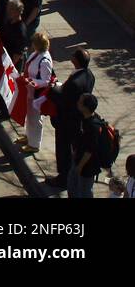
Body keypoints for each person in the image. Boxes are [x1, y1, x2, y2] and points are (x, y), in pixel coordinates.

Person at [46, 48, 95, 188]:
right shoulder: (89, 75)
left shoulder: (74, 83)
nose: (71, 56)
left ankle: (63, 178)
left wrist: (52, 89)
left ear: (76, 61)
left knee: (63, 149)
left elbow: (61, 99)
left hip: (66, 122)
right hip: (78, 120)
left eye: (73, 55)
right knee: (72, 148)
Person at [22, 30, 55, 156]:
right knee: (29, 116)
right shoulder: (36, 54)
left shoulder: (45, 60)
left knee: (35, 118)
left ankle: (34, 144)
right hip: (30, 89)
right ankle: (28, 136)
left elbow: (46, 81)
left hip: (37, 93)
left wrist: (31, 81)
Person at [68, 94, 105, 198]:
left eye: (80, 101)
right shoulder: (84, 118)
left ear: (86, 107)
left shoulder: (93, 127)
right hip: (78, 160)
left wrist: (79, 167)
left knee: (84, 192)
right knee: (72, 187)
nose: (77, 102)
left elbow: (90, 151)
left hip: (87, 167)